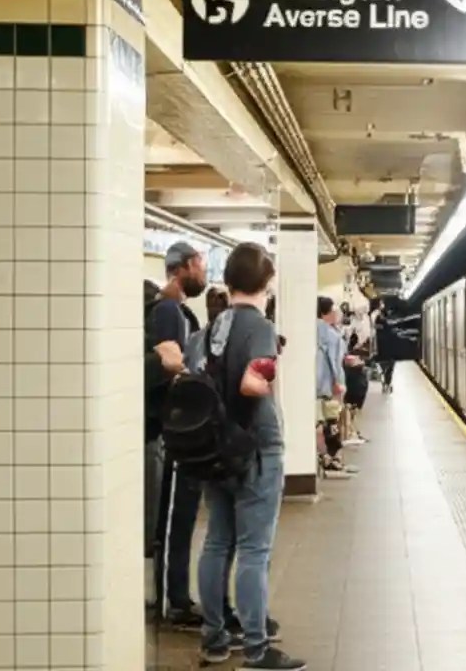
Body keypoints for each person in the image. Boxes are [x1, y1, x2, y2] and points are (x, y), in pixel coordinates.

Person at [197, 243, 305, 670]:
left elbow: (194, 375)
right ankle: (257, 649)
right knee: (254, 551)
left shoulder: (210, 327)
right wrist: (268, 371)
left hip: (214, 448)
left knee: (217, 542)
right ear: (267, 281)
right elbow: (250, 383)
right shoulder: (259, 326)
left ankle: (214, 638)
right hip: (256, 448)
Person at [146, 242, 207, 630]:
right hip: (170, 431)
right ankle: (172, 602)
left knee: (181, 517)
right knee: (171, 520)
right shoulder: (169, 311)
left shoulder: (179, 310)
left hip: (175, 430)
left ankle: (179, 596)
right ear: (184, 267)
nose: (204, 272)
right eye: (201, 264)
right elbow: (171, 367)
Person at [316, 297, 356, 476]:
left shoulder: (320, 329)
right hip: (327, 385)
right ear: (326, 313)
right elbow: (332, 360)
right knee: (330, 421)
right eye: (334, 310)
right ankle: (332, 459)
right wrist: (337, 383)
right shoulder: (328, 333)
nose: (338, 313)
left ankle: (326, 457)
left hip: (320, 384)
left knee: (322, 422)